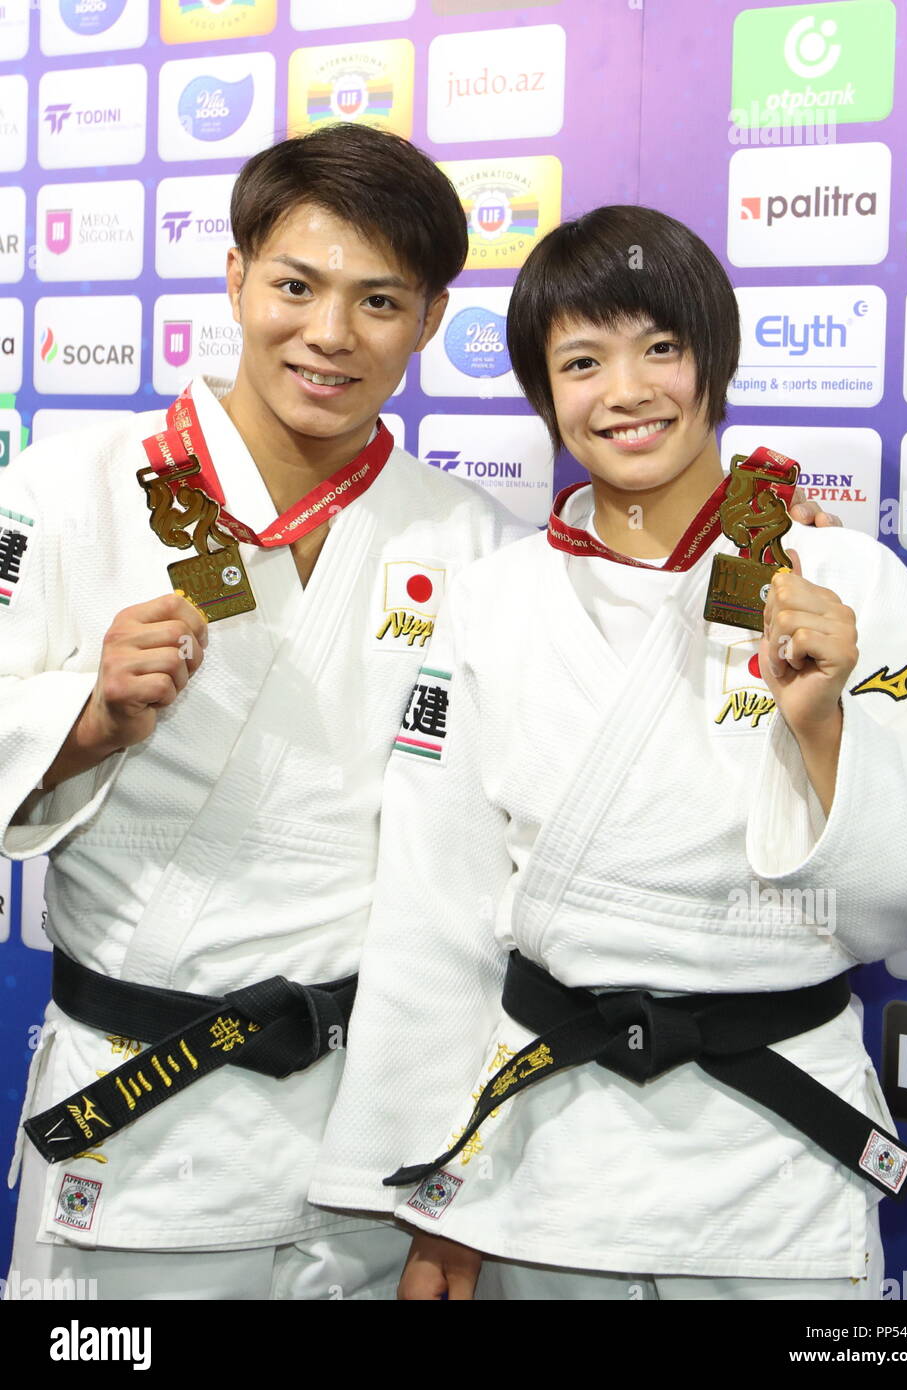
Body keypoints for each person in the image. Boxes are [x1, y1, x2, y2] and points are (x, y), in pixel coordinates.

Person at [310, 205, 907, 1300]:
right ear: (542, 393)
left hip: (777, 1164)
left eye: (660, 348)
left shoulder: (841, 584)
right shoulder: (490, 603)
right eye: (582, 360)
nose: (625, 390)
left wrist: (822, 725)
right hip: (548, 1160)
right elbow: (435, 912)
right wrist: (434, 1190)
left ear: (711, 360)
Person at [0, 123, 538, 1302]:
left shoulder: (470, 541)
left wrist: (469, 1167)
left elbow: (505, 868)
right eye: (296, 285)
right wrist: (85, 717)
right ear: (237, 276)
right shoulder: (67, 487)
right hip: (147, 1123)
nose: (330, 335)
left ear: (431, 319)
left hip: (379, 1132)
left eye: (380, 301)